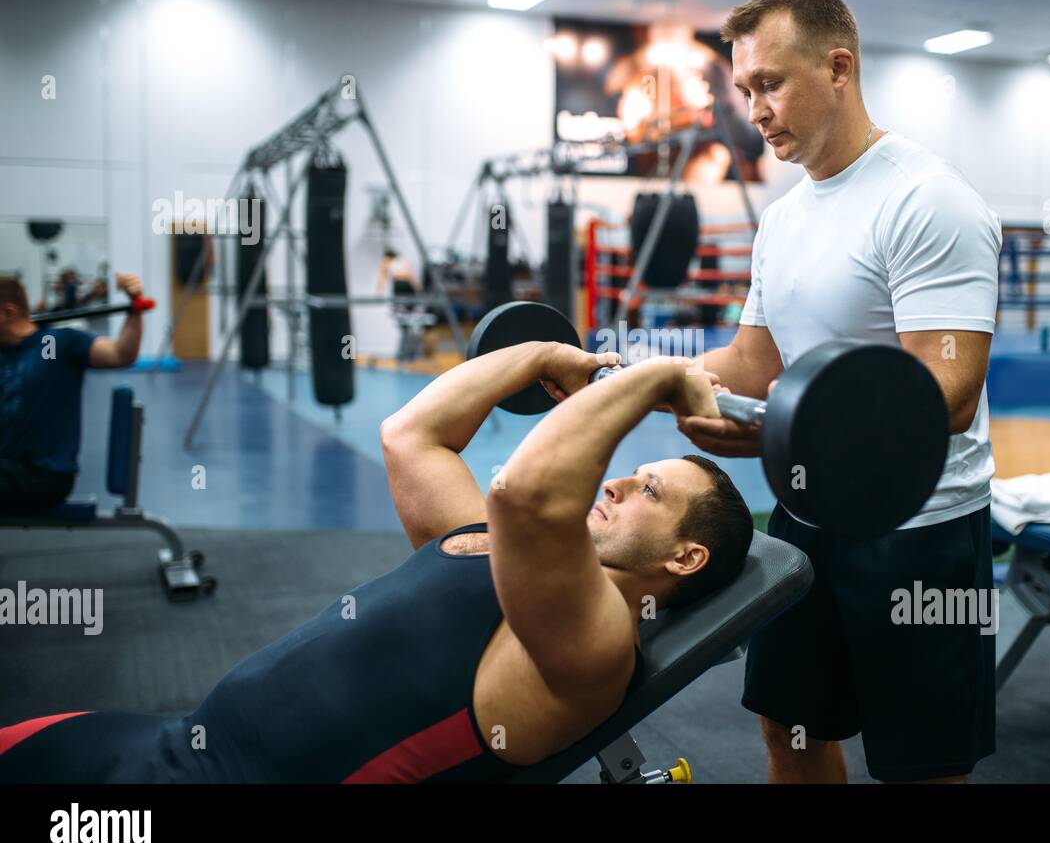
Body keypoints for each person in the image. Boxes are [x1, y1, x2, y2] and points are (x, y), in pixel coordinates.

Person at [0, 343, 753, 782]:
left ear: (686, 557)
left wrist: (650, 378)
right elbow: (411, 435)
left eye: (648, 487)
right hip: (164, 741)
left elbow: (525, 491)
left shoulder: (594, 643)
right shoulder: (500, 549)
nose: (618, 481)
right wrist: (542, 356)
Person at [677, 0, 1002, 784]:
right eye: (745, 88)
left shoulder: (928, 201)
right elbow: (754, 363)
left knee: (920, 765)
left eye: (771, 83)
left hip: (919, 532)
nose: (754, 108)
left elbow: (947, 392)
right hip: (803, 517)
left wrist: (789, 427)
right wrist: (626, 381)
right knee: (788, 729)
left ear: (839, 68)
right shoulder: (785, 218)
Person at [0, 273, 146, 513]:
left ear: (9, 311)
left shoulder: (59, 343)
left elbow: (121, 354)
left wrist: (134, 307)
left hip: (45, 476)